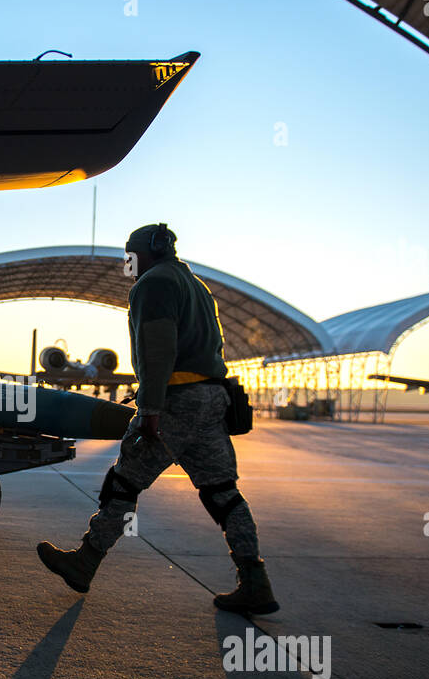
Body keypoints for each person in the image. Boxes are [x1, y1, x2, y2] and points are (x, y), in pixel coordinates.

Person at [36, 223, 278, 614]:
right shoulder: (196, 285)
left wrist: (149, 409)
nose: (128, 263)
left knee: (123, 483)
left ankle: (84, 562)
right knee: (222, 493)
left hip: (174, 402)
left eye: (130, 255)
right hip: (212, 401)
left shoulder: (153, 284)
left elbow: (156, 350)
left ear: (145, 253)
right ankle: (255, 580)